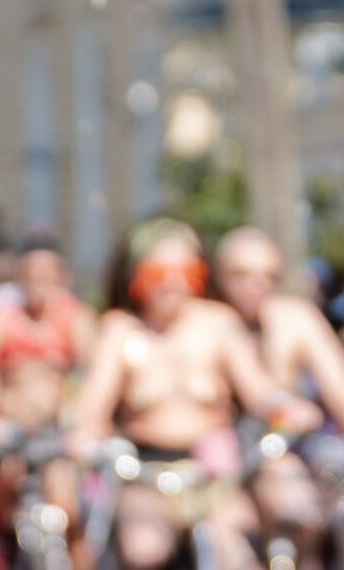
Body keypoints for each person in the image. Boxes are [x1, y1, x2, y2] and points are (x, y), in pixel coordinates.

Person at [70, 219, 322, 570]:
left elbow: (258, 390)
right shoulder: (120, 329)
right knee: (143, 548)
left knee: (236, 550)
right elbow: (92, 407)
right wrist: (86, 433)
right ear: (137, 275)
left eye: (186, 271)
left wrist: (285, 407)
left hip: (215, 474)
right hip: (147, 472)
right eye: (160, 272)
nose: (174, 283)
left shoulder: (218, 323)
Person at [212, 226, 344, 566]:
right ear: (219, 277)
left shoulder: (293, 319)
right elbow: (256, 392)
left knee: (308, 513)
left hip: (278, 451)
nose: (255, 284)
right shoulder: (205, 320)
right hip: (213, 463)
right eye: (241, 274)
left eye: (268, 275)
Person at [0, 231, 97, 565]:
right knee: (5, 480)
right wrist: (8, 408)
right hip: (12, 425)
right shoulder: (0, 321)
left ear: (62, 278)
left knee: (68, 507)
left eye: (48, 277)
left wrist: (74, 412)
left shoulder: (74, 318)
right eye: (32, 277)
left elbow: (92, 372)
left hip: (55, 430)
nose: (40, 285)